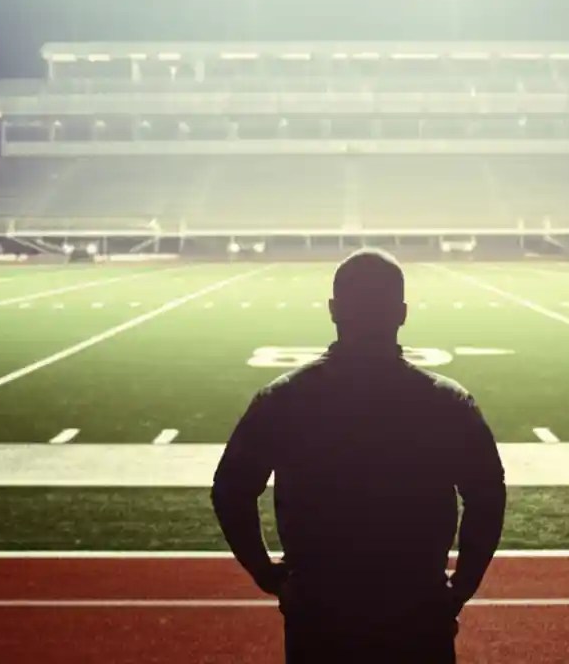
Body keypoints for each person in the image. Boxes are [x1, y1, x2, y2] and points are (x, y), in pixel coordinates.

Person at [212, 249, 506, 663]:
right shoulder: (447, 402)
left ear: (333, 310)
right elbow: (487, 496)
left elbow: (230, 490)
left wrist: (268, 574)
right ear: (402, 313)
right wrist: (461, 587)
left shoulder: (284, 398)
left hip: (320, 609)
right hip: (416, 607)